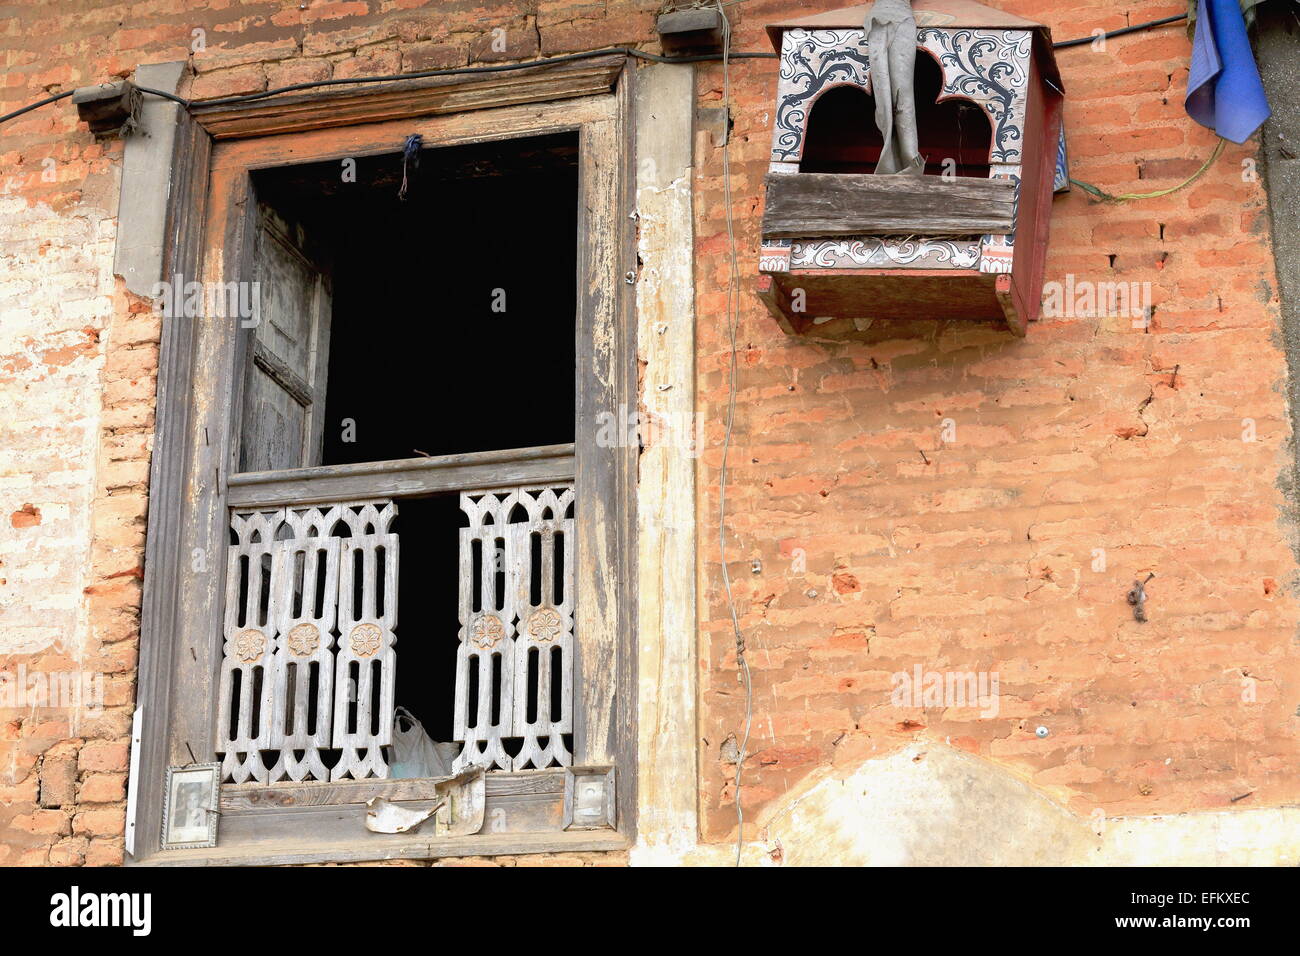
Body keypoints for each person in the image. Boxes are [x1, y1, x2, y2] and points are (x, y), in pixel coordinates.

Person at [865, 0, 926, 175]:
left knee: (902, 103)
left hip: (900, 18)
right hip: (881, 18)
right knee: (888, 102)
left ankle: (908, 161)